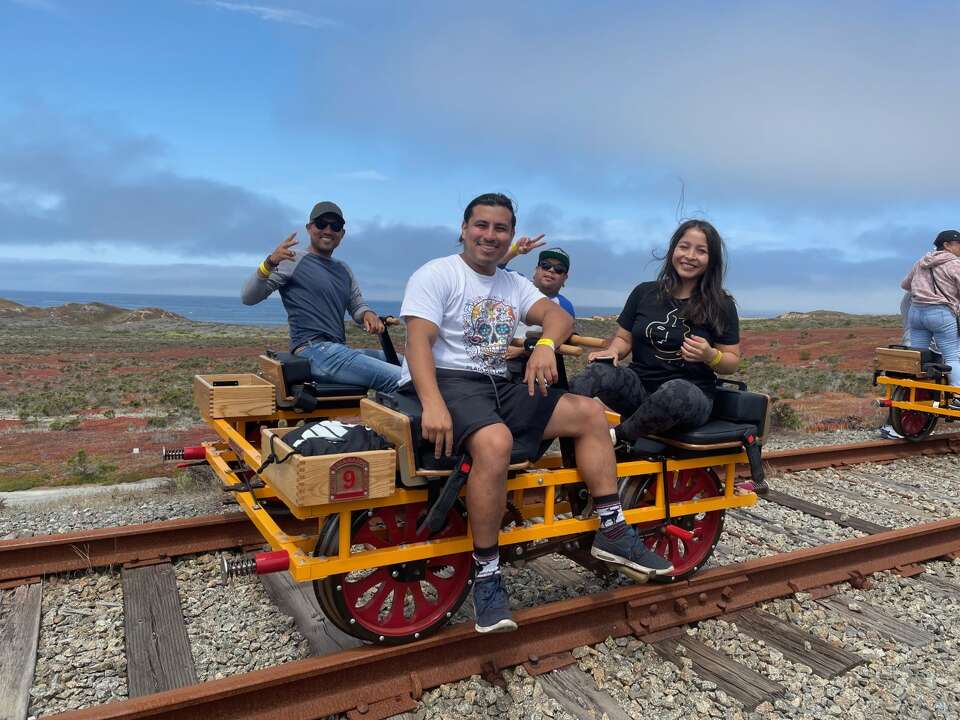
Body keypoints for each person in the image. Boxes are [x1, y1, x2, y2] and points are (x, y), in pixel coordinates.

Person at [398, 193, 672, 634]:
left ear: (510, 234)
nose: (490, 235)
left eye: (500, 228)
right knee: (495, 442)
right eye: (481, 225)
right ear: (464, 229)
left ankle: (613, 530)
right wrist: (432, 402)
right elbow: (418, 341)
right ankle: (486, 572)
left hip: (500, 382)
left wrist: (544, 345)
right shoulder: (437, 274)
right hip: (451, 380)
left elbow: (555, 318)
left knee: (589, 412)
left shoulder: (511, 283)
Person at [570, 219, 740, 445]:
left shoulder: (721, 304)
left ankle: (616, 438)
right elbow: (623, 338)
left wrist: (710, 356)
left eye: (701, 251)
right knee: (595, 372)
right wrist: (613, 351)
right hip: (639, 390)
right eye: (684, 246)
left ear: (711, 260)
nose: (690, 256)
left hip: (689, 397)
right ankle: (542, 440)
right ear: (673, 250)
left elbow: (732, 361)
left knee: (675, 390)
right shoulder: (644, 292)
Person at [241, 201, 400, 393]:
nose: (328, 230)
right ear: (309, 228)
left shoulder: (343, 269)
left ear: (342, 233)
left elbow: (357, 307)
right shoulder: (291, 260)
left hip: (338, 351)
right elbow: (248, 297)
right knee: (403, 379)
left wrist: (368, 315)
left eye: (335, 226)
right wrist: (269, 263)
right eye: (321, 224)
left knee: (410, 365)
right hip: (313, 352)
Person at [901, 229, 960, 402]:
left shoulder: (921, 262)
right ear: (946, 245)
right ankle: (957, 396)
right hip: (940, 314)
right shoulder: (954, 264)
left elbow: (905, 284)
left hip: (916, 312)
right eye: (958, 244)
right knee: (952, 355)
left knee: (919, 356)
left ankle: (913, 394)